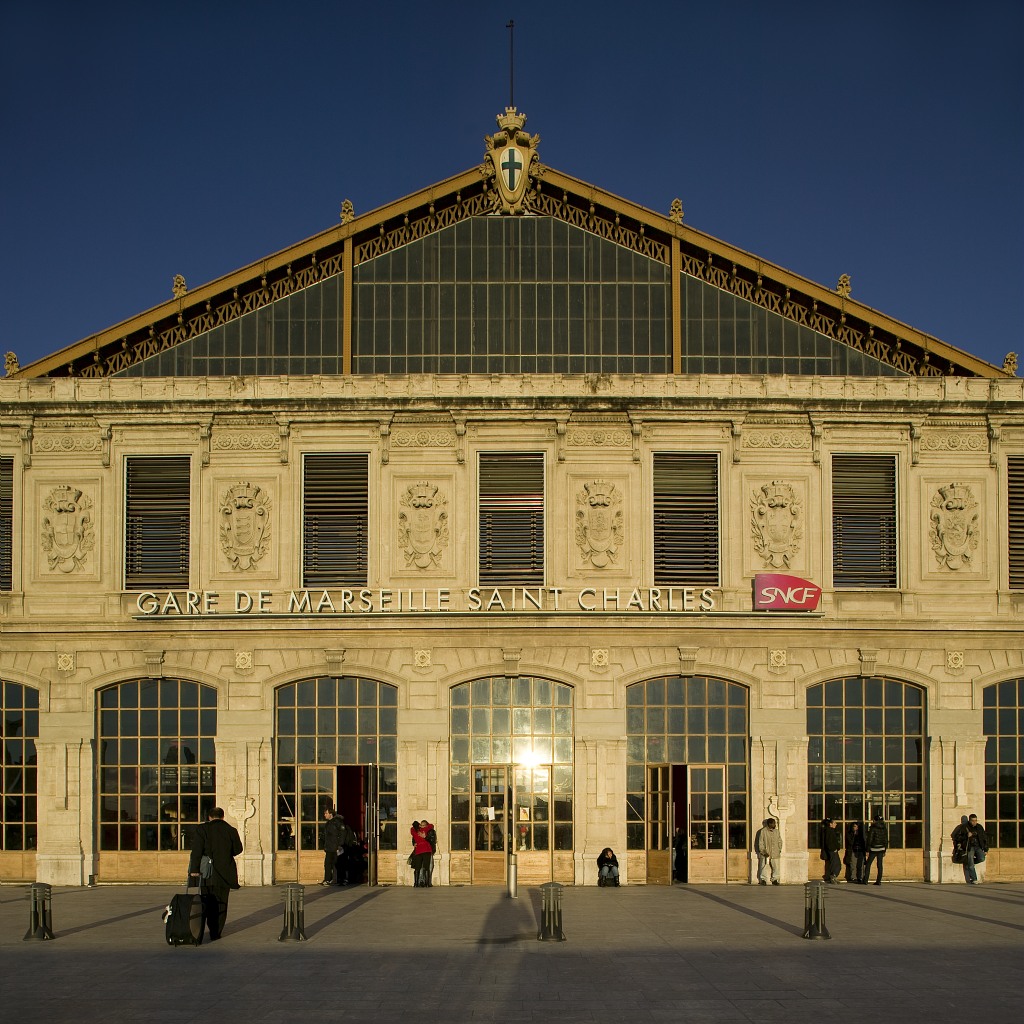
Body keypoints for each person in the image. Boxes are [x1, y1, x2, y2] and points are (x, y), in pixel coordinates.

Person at [188, 806, 242, 942]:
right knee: (222, 902)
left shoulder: (202, 829)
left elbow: (196, 851)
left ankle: (206, 928)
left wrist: (194, 870)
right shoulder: (231, 830)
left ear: (209, 817)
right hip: (225, 873)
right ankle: (216, 932)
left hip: (207, 874)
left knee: (206, 901)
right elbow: (238, 849)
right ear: (223, 817)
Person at [951, 813, 989, 884]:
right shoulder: (963, 827)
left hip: (978, 846)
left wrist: (986, 849)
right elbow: (956, 837)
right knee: (971, 863)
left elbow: (985, 838)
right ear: (969, 820)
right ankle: (974, 879)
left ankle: (968, 863)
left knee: (982, 858)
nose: (974, 822)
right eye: (972, 821)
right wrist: (966, 836)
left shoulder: (979, 827)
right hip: (969, 847)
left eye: (975, 821)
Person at [321, 807, 345, 886]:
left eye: (326, 813)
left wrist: (339, 845)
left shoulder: (337, 822)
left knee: (337, 864)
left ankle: (340, 880)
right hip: (329, 847)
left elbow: (342, 834)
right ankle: (328, 879)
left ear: (330, 814)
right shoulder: (328, 823)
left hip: (335, 847)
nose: (325, 815)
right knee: (327, 864)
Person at [755, 817, 782, 885]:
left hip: (775, 852)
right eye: (773, 823)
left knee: (776, 866)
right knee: (763, 866)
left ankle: (775, 879)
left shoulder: (777, 831)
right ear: (769, 824)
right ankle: (763, 879)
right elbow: (760, 842)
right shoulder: (763, 831)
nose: (774, 824)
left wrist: (779, 849)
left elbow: (780, 841)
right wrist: (763, 851)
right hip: (766, 852)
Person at [864, 813, 888, 885]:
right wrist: (885, 849)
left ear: (875, 820)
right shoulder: (884, 828)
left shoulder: (873, 828)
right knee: (879, 865)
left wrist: (867, 850)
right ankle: (878, 881)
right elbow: (886, 840)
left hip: (873, 848)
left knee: (868, 864)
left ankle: (865, 880)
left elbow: (870, 839)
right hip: (881, 848)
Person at [411, 819, 434, 887]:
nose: (422, 826)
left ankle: (417, 884)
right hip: (424, 850)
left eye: (424, 825)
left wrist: (425, 836)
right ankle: (423, 883)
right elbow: (431, 825)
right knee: (423, 867)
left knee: (421, 867)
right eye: (421, 825)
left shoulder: (415, 832)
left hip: (422, 850)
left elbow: (412, 828)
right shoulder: (426, 830)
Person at [821, 817, 842, 883]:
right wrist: (833, 849)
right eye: (834, 823)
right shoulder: (829, 831)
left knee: (835, 864)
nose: (836, 824)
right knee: (835, 864)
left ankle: (834, 877)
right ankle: (833, 876)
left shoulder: (830, 831)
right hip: (832, 850)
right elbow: (829, 842)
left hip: (832, 850)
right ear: (830, 824)